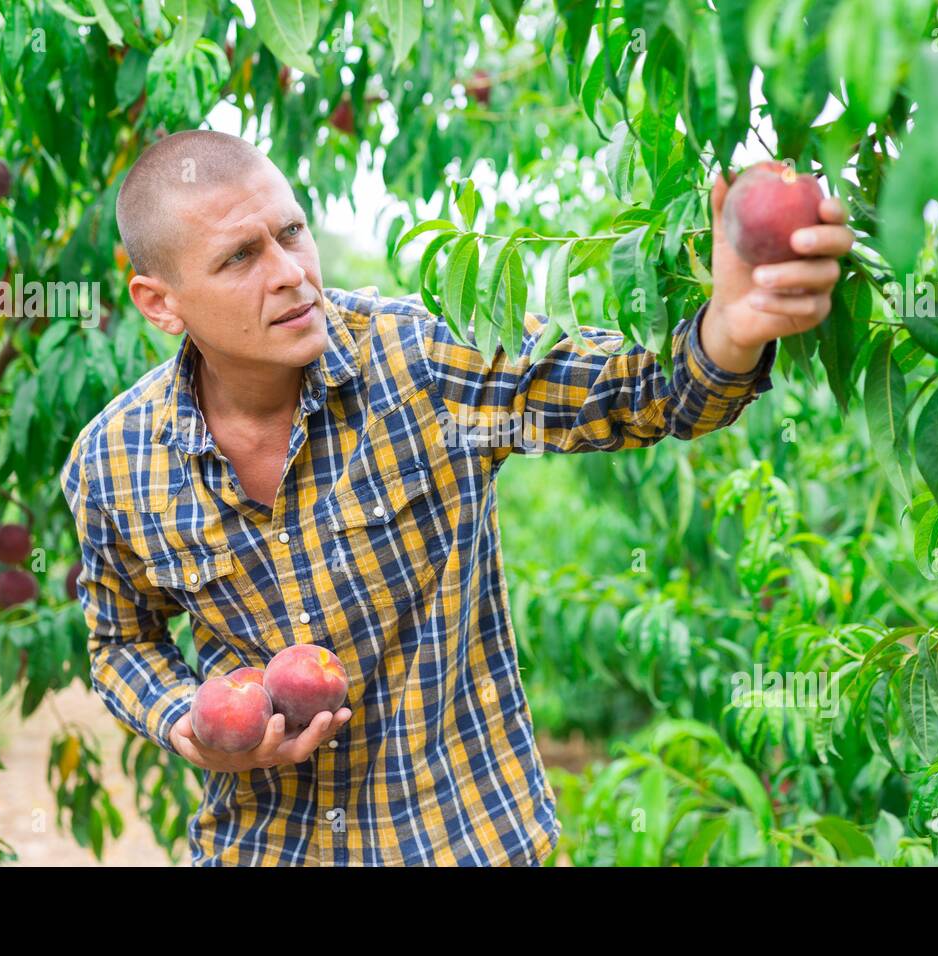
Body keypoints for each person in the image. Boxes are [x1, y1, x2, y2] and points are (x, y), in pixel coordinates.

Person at [59, 129, 854, 865]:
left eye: (291, 232)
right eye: (239, 258)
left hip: (466, 836)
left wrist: (733, 326)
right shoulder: (114, 461)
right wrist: (185, 723)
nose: (291, 272)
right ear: (160, 303)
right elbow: (119, 643)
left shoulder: (423, 360)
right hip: (266, 846)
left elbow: (645, 394)